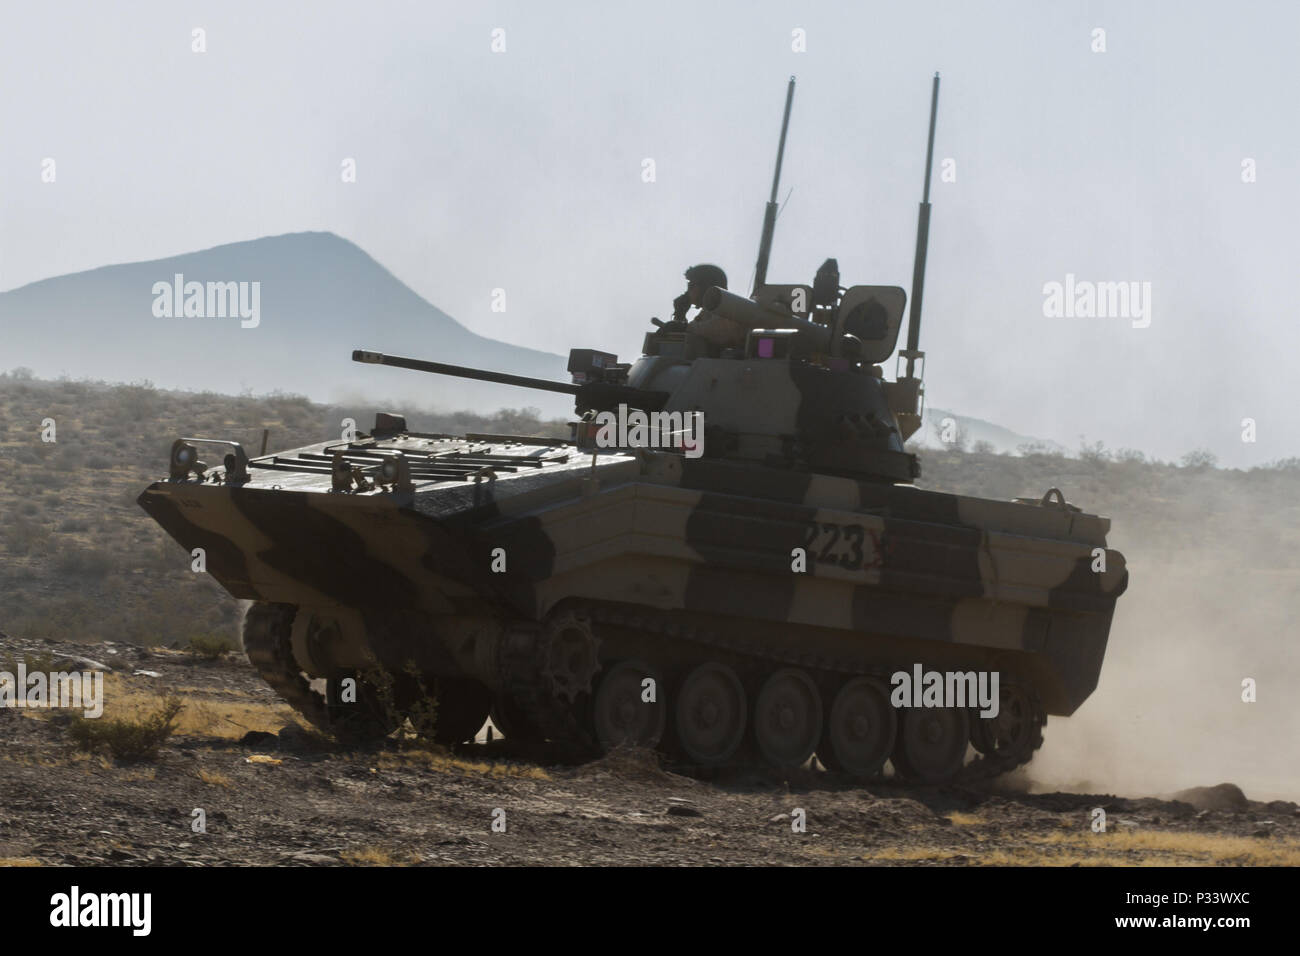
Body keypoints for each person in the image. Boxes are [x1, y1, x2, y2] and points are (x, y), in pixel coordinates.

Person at [676, 263, 746, 349]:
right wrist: (680, 315)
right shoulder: (706, 314)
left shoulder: (729, 310)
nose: (687, 292)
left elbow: (719, 332)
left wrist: (683, 327)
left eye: (691, 286)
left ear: (706, 286)